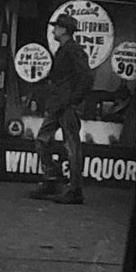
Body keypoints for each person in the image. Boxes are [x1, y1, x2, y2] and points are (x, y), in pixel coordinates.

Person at [29, 13, 92, 204]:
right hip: (59, 105)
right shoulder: (66, 49)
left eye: (56, 27)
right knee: (42, 140)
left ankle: (74, 190)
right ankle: (51, 180)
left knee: (71, 146)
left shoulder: (72, 50)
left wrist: (73, 100)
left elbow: (86, 77)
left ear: (64, 29)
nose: (53, 30)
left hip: (66, 106)